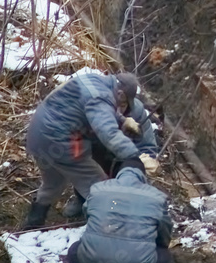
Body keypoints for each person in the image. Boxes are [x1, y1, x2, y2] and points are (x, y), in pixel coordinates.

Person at [22, 71, 159, 230]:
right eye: (122, 104)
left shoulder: (95, 81)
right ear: (120, 94)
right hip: (61, 142)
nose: (121, 108)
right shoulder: (100, 97)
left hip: (39, 137)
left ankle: (33, 223)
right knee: (100, 186)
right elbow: (108, 133)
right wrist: (136, 158)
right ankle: (111, 228)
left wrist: (123, 121)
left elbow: (100, 107)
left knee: (53, 183)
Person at [66, 156, 173, 263]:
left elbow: (88, 214)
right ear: (143, 176)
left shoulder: (98, 189)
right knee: (165, 258)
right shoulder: (156, 197)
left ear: (118, 173)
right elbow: (164, 230)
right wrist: (158, 244)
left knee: (74, 251)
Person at [60, 91, 161, 219]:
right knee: (83, 162)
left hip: (125, 159)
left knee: (123, 185)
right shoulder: (97, 107)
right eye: (116, 103)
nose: (118, 108)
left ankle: (118, 208)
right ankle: (82, 199)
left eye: (123, 104)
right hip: (96, 152)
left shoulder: (138, 113)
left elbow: (148, 145)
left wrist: (145, 160)